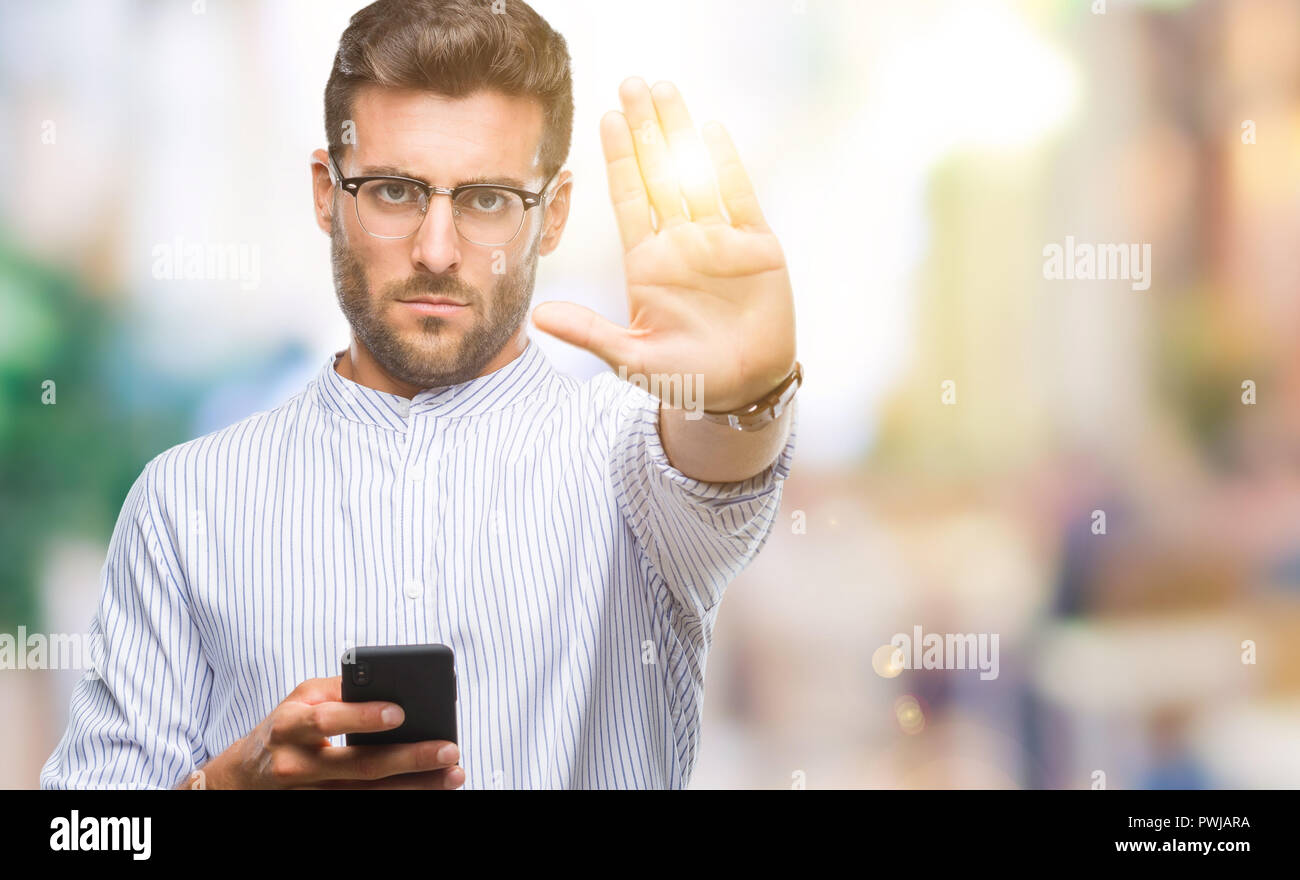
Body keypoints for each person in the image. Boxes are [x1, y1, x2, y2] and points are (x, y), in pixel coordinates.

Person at [40, 0, 799, 789]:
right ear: (326, 193)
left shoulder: (635, 465)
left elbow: (718, 467)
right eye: (396, 192)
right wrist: (226, 786)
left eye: (486, 200)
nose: (437, 252)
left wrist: (745, 395)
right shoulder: (185, 501)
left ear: (554, 216)